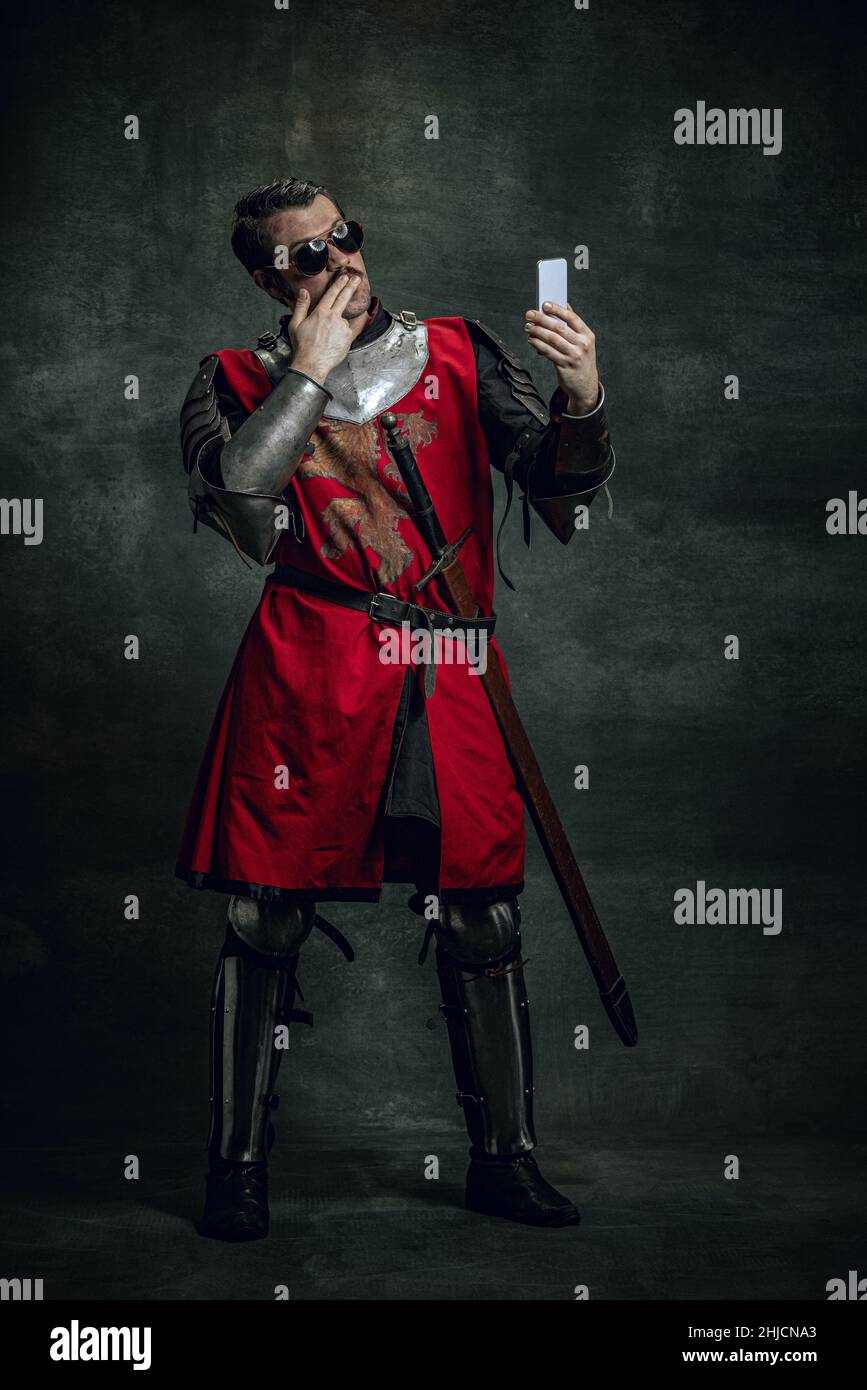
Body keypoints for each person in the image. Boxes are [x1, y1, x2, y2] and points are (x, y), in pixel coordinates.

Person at [178, 178, 616, 1241]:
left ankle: (503, 1162)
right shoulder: (230, 380)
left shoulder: (459, 352)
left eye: (343, 238)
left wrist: (583, 394)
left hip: (446, 667)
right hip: (310, 671)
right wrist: (313, 370)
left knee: (483, 908)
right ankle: (235, 1168)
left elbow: (562, 491)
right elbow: (245, 508)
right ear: (264, 278)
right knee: (265, 910)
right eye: (305, 255)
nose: (338, 262)